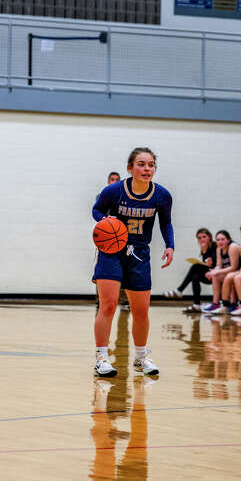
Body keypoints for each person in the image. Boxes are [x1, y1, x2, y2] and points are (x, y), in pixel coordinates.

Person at [91, 147, 174, 377]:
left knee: (141, 310)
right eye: (141, 164)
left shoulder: (162, 195)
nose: (146, 168)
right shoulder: (114, 190)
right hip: (111, 251)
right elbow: (96, 209)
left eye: (150, 165)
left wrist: (170, 245)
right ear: (130, 167)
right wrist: (104, 219)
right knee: (108, 305)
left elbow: (165, 223)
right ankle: (101, 358)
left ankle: (140, 358)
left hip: (139, 252)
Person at [165, 227, 216, 312]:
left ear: (209, 237)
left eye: (204, 237)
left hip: (217, 274)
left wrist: (206, 254)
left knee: (195, 267)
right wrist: (204, 251)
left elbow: (213, 263)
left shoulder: (215, 246)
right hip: (210, 274)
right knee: (195, 276)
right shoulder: (204, 248)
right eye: (199, 238)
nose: (202, 239)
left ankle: (179, 290)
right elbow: (208, 264)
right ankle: (196, 305)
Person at [202, 229, 239, 313]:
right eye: (218, 240)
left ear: (228, 240)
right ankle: (216, 303)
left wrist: (217, 272)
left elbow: (234, 267)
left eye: (223, 239)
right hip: (228, 272)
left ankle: (233, 303)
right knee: (215, 275)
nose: (220, 242)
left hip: (237, 271)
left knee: (229, 276)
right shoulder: (219, 249)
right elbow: (219, 265)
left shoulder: (233, 247)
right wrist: (212, 272)